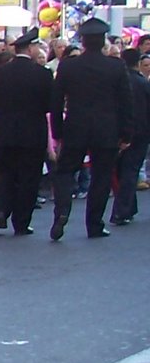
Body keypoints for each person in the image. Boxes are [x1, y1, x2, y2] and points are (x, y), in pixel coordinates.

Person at [49, 16, 133, 240]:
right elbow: (126, 102)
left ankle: (62, 212)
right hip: (106, 129)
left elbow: (56, 102)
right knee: (102, 176)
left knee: (66, 171)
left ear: (83, 42)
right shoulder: (115, 66)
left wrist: (57, 131)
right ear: (103, 40)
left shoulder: (68, 66)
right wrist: (126, 133)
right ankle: (94, 223)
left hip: (75, 126)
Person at [111, 48, 150, 226]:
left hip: (119, 132)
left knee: (122, 170)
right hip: (141, 132)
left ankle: (126, 207)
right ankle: (124, 209)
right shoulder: (143, 83)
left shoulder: (118, 83)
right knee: (131, 170)